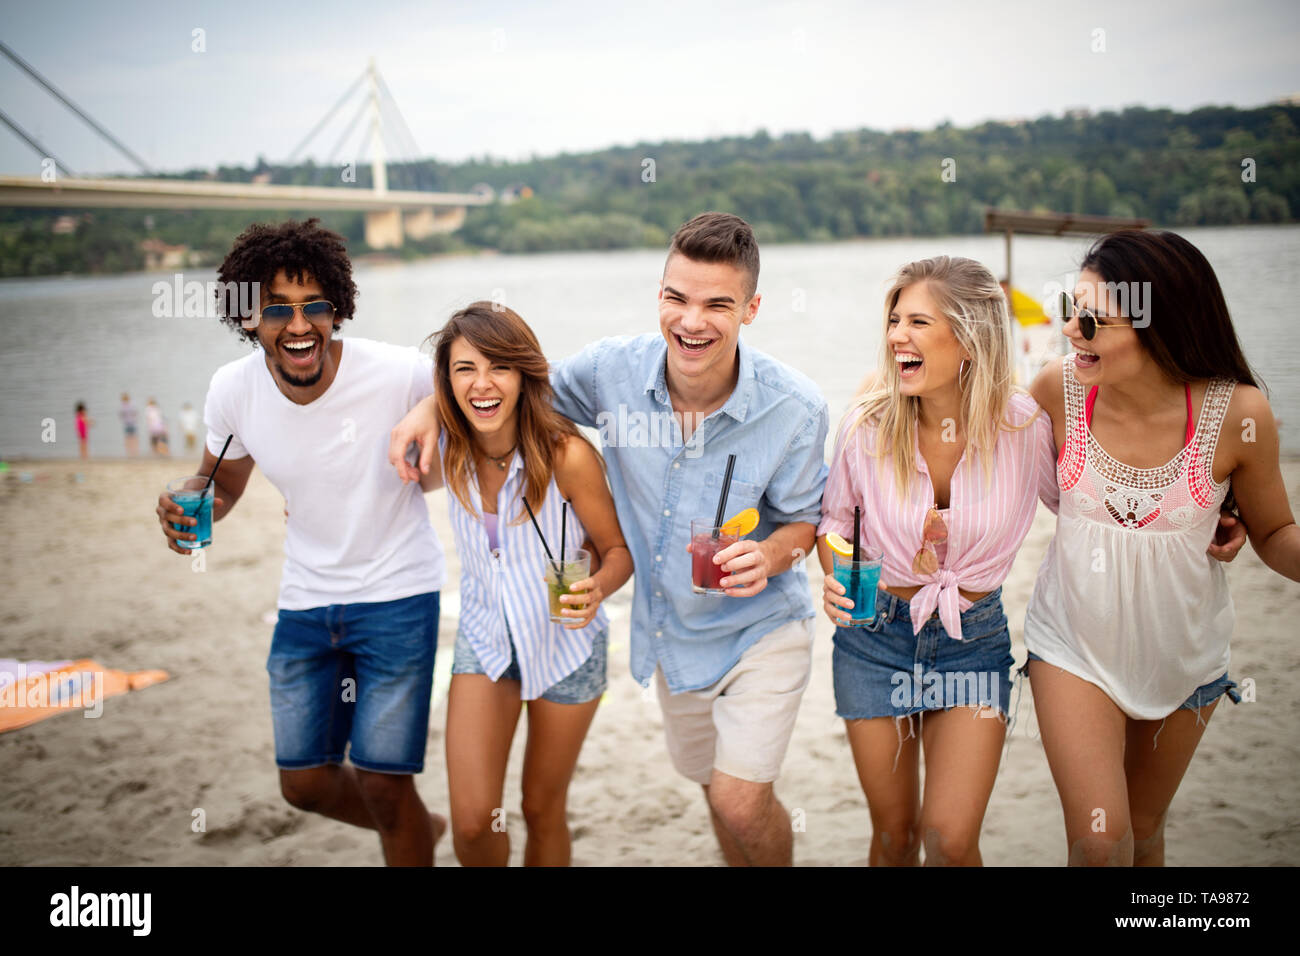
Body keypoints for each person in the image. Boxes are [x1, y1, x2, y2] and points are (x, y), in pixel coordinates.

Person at [393, 212, 829, 866]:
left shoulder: (795, 407)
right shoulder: (609, 373)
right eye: (677, 298)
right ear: (659, 295)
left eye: (717, 304)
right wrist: (434, 404)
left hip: (762, 628)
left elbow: (806, 524)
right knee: (715, 794)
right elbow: (509, 380)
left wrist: (769, 555)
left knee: (739, 800)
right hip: (675, 636)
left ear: (752, 308)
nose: (692, 321)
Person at [153, 218, 449, 866]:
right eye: (276, 309)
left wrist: (433, 407)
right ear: (247, 318)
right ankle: (421, 829)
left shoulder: (398, 372)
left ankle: (406, 827)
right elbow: (220, 484)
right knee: (304, 784)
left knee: (384, 783)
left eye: (314, 305)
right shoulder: (232, 391)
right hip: (306, 601)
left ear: (337, 307)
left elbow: (488, 388)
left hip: (399, 595)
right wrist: (187, 506)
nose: (298, 325)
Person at [1025, 229, 1300, 866]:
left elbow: (1274, 533)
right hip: (1072, 645)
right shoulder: (1056, 391)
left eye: (1091, 320)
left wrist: (1233, 522)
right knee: (1101, 842)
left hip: (1184, 658)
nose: (1070, 331)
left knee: (1144, 835)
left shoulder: (1238, 415)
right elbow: (980, 455)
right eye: (1069, 310)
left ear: (1162, 324)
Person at [817, 256, 1059, 866]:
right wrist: (835, 577)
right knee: (895, 838)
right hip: (874, 638)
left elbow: (1082, 505)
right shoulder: (867, 425)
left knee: (949, 842)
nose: (897, 335)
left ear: (970, 340)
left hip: (973, 640)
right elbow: (835, 524)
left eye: (918, 322)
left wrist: (1219, 512)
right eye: (894, 320)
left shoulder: (1025, 427)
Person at [423, 302, 633, 867]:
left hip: (567, 647)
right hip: (485, 640)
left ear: (523, 375)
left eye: (500, 367)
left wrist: (596, 588)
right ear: (447, 381)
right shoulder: (447, 446)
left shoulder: (567, 455)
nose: (482, 384)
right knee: (472, 824)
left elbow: (618, 551)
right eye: (465, 369)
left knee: (541, 808)